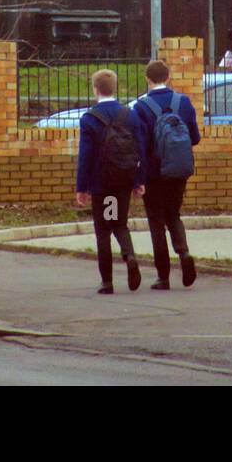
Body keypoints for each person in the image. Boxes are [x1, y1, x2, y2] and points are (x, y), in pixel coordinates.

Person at [76, 69, 146, 294]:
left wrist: (82, 188)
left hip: (102, 183)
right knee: (119, 222)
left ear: (95, 89)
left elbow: (85, 156)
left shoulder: (90, 118)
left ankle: (107, 282)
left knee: (104, 230)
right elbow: (139, 149)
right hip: (124, 179)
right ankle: (130, 255)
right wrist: (139, 180)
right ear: (114, 88)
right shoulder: (130, 115)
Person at [134, 59, 201, 290]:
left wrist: (139, 178)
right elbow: (195, 137)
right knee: (174, 214)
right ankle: (184, 254)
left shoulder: (141, 106)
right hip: (179, 170)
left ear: (147, 78)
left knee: (156, 221)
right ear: (168, 77)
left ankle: (163, 276)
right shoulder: (183, 101)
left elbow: (140, 146)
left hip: (154, 173)